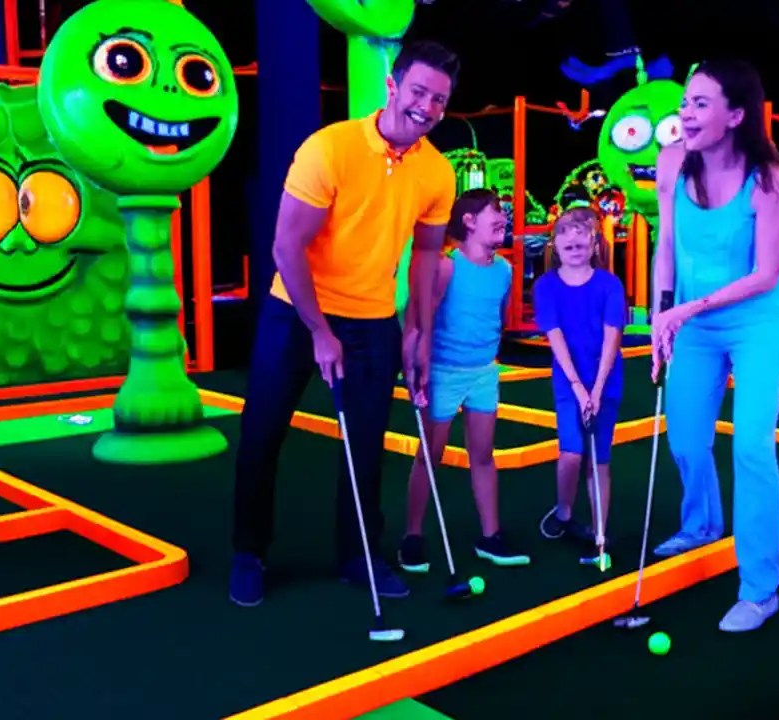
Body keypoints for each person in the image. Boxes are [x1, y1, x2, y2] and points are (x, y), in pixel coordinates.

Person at [229, 41, 460, 606]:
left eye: (439, 100)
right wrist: (319, 332)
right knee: (262, 434)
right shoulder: (329, 149)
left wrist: (418, 331)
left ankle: (358, 554)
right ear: (392, 87)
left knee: (365, 444)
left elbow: (427, 257)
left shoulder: (437, 172)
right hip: (296, 312)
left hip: (373, 318)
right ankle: (248, 551)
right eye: (419, 93)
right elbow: (286, 246)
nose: (426, 107)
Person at [648, 58, 779, 632]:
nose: (685, 113)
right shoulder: (669, 163)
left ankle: (760, 590)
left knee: (752, 447)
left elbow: (765, 273)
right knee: (686, 439)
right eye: (686, 102)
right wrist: (664, 315)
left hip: (760, 320)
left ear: (736, 115)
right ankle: (702, 524)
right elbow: (667, 242)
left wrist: (688, 308)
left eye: (701, 103)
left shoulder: (768, 179)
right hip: (694, 324)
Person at [397, 189, 531, 572]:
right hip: (443, 372)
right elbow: (419, 318)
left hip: (484, 371)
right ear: (469, 221)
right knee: (430, 456)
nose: (503, 219)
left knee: (483, 455)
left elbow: (499, 318)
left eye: (504, 213)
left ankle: (490, 536)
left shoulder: (505, 269)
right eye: (495, 213)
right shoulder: (446, 267)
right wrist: (415, 367)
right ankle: (412, 536)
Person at [532, 206, 626, 564]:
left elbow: (611, 339)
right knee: (571, 453)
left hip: (605, 383)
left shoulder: (609, 285)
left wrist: (597, 390)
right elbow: (555, 339)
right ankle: (564, 513)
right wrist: (579, 388)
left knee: (598, 459)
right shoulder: (546, 286)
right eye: (566, 233)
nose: (574, 239)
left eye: (583, 232)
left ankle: (599, 532)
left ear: (595, 242)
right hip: (569, 385)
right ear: (555, 243)